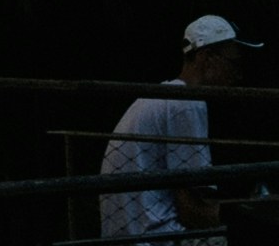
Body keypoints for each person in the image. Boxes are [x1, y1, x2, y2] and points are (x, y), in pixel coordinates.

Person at [104, 21, 258, 243]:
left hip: (129, 233)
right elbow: (192, 211)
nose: (238, 75)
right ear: (207, 58)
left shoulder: (162, 96)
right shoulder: (187, 102)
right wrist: (254, 216)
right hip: (156, 236)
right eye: (234, 64)